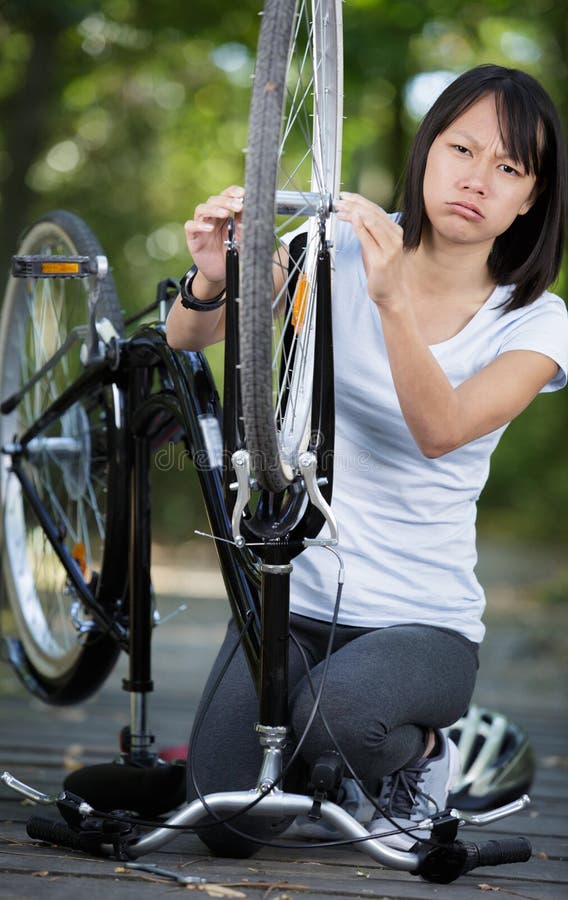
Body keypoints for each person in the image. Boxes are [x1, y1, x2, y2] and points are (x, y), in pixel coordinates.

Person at [165, 65, 568, 856]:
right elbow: (189, 336)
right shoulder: (332, 242)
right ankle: (335, 763)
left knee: (336, 717)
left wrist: (390, 300)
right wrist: (214, 275)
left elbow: (441, 428)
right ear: (426, 154)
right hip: (293, 599)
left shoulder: (537, 322)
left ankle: (421, 758)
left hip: (423, 622)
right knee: (224, 816)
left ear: (530, 200)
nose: (477, 179)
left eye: (510, 168)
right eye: (462, 148)